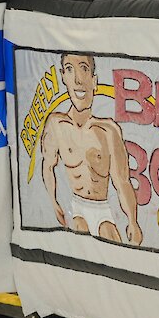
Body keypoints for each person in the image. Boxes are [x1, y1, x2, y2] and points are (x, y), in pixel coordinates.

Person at [39, 52, 143, 246]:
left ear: (94, 81)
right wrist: (53, 203)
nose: (78, 79)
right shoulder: (56, 124)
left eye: (84, 69)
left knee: (111, 242)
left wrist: (132, 221)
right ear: (63, 76)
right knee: (79, 233)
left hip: (102, 210)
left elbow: (122, 181)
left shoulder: (108, 131)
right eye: (70, 69)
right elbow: (48, 165)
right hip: (77, 209)